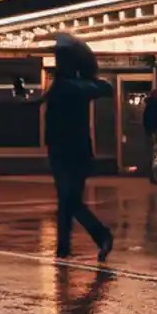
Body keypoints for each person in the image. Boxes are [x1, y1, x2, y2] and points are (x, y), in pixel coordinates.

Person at [45, 35, 114, 261]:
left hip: (73, 151)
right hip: (63, 151)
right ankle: (64, 247)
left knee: (68, 198)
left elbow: (104, 88)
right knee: (66, 199)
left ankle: (100, 235)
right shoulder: (66, 85)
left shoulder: (72, 86)